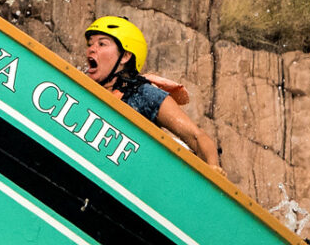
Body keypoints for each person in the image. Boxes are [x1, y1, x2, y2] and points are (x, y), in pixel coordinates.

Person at [83, 16, 219, 166]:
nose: (91, 49)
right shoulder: (82, 90)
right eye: (90, 44)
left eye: (102, 44)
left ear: (125, 56)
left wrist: (213, 167)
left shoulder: (143, 94)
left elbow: (197, 137)